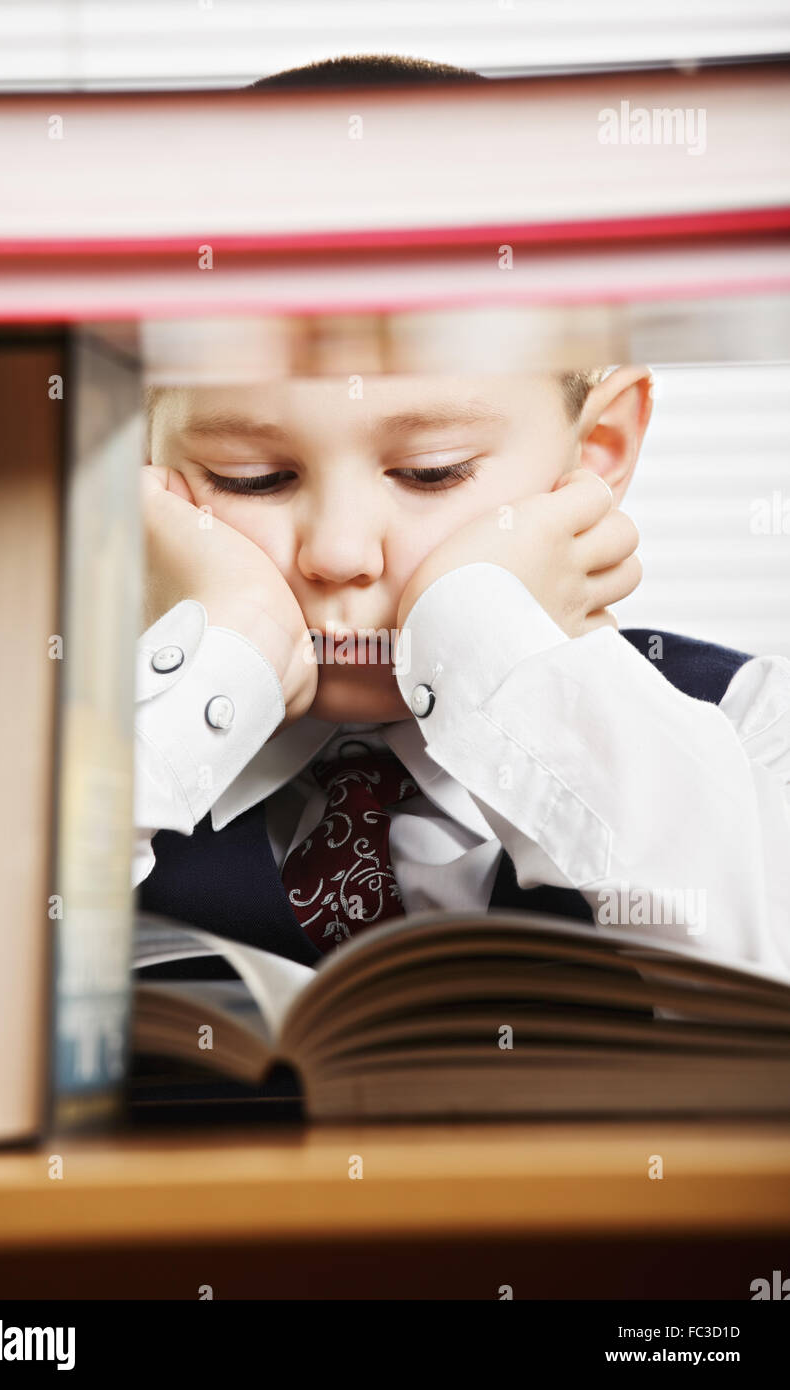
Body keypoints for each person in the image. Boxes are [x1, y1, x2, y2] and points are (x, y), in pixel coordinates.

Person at [133, 57, 790, 975]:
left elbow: (759, 1017)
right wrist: (210, 664)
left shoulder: (751, 727)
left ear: (596, 453)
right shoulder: (72, 757)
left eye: (430, 473)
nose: (339, 552)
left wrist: (482, 633)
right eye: (254, 478)